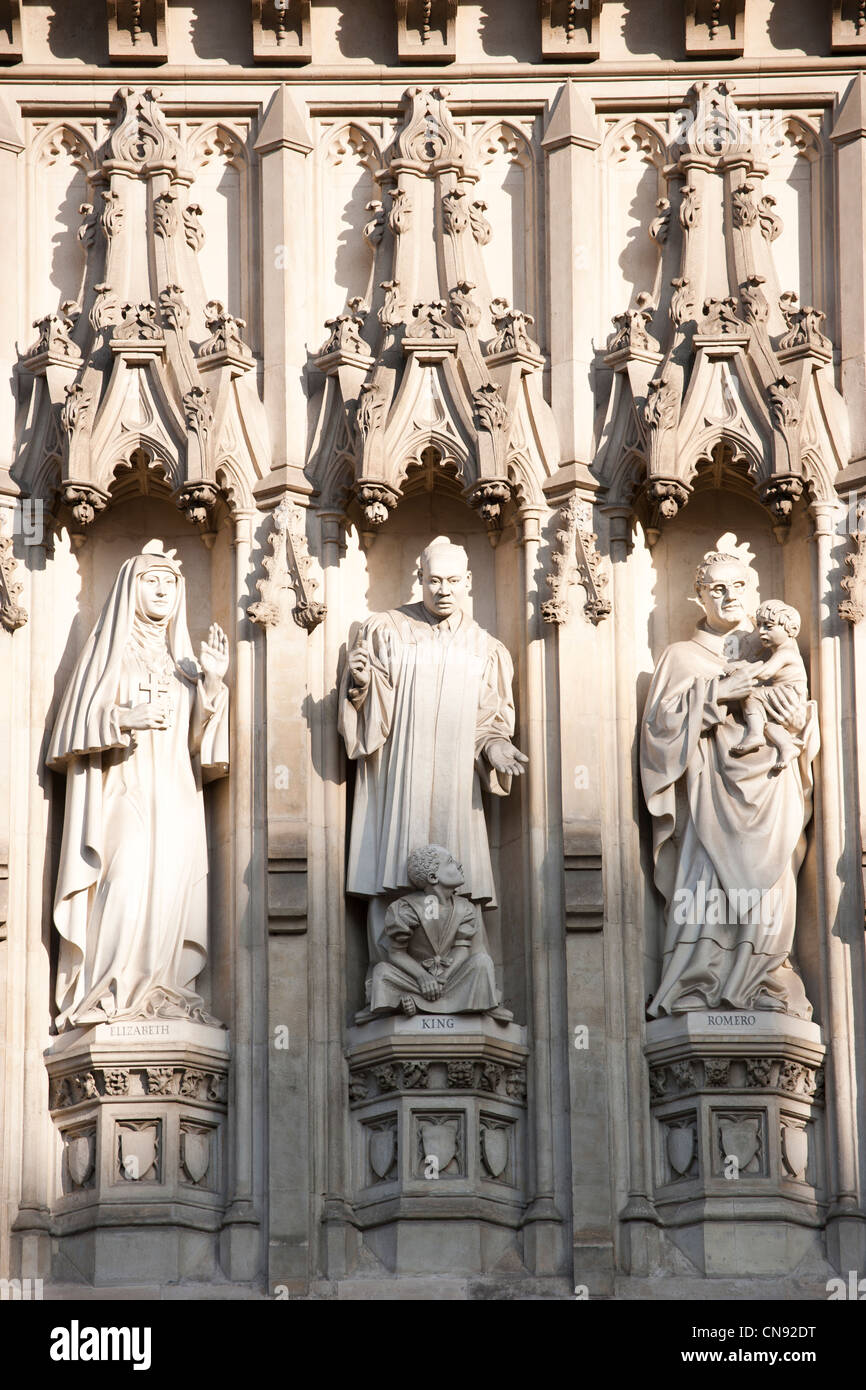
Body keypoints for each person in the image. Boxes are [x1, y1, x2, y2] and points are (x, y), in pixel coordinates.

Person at [47, 540, 229, 1030]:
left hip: (173, 792)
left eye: (170, 583)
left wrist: (211, 685)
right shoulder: (109, 656)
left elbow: (205, 751)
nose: (162, 590)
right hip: (122, 791)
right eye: (152, 581)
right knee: (124, 879)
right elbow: (74, 729)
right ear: (131, 588)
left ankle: (160, 989)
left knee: (168, 885)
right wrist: (125, 717)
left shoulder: (185, 665)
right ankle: (108, 989)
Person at [338, 535, 526, 1009]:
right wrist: (358, 685)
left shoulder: (487, 648)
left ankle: (473, 986)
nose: (444, 590)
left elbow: (490, 718)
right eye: (434, 580)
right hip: (397, 779)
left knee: (457, 875)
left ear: (469, 582)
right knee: (392, 869)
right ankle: (387, 982)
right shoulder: (384, 629)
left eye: (454, 582)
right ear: (419, 578)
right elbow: (367, 711)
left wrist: (497, 746)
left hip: (456, 785)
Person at [640, 544, 819, 1020]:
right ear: (700, 597)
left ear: (754, 591)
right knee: (707, 891)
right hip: (708, 805)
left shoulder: (774, 654)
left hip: (772, 792)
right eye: (716, 589)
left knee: (771, 890)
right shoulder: (681, 657)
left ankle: (762, 975)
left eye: (738, 586)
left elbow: (800, 718)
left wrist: (798, 719)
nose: (729, 597)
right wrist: (719, 692)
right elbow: (658, 734)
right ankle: (698, 981)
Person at [367, 845, 501, 1017]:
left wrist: (442, 978)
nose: (459, 865)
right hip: (415, 978)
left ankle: (417, 1002)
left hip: (449, 978)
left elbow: (462, 948)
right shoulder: (405, 908)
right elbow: (396, 953)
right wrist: (423, 977)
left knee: (482, 962)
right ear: (433, 876)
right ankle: (421, 1000)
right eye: (451, 862)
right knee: (382, 972)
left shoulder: (465, 908)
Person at [729, 599, 808, 771]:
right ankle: (787, 746)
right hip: (784, 695)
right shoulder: (781, 652)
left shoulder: (786, 653)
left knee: (750, 695)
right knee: (769, 723)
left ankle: (755, 734)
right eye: (759, 626)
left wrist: (742, 670)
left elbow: (765, 673)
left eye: (768, 626)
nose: (761, 631)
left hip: (788, 694)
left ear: (792, 630)